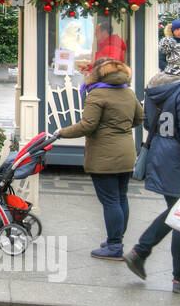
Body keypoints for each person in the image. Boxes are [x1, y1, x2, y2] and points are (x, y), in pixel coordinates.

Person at [124, 38, 180, 294]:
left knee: (178, 214)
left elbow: (148, 122)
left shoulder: (156, 85)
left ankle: (145, 256)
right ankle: (178, 276)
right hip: (179, 158)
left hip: (161, 154)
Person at [55, 58, 144, 260]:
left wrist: (62, 132)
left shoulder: (97, 94)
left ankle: (114, 246)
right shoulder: (128, 92)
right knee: (121, 197)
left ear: (99, 73)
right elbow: (139, 118)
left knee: (110, 200)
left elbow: (87, 125)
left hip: (105, 156)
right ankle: (116, 238)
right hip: (126, 153)